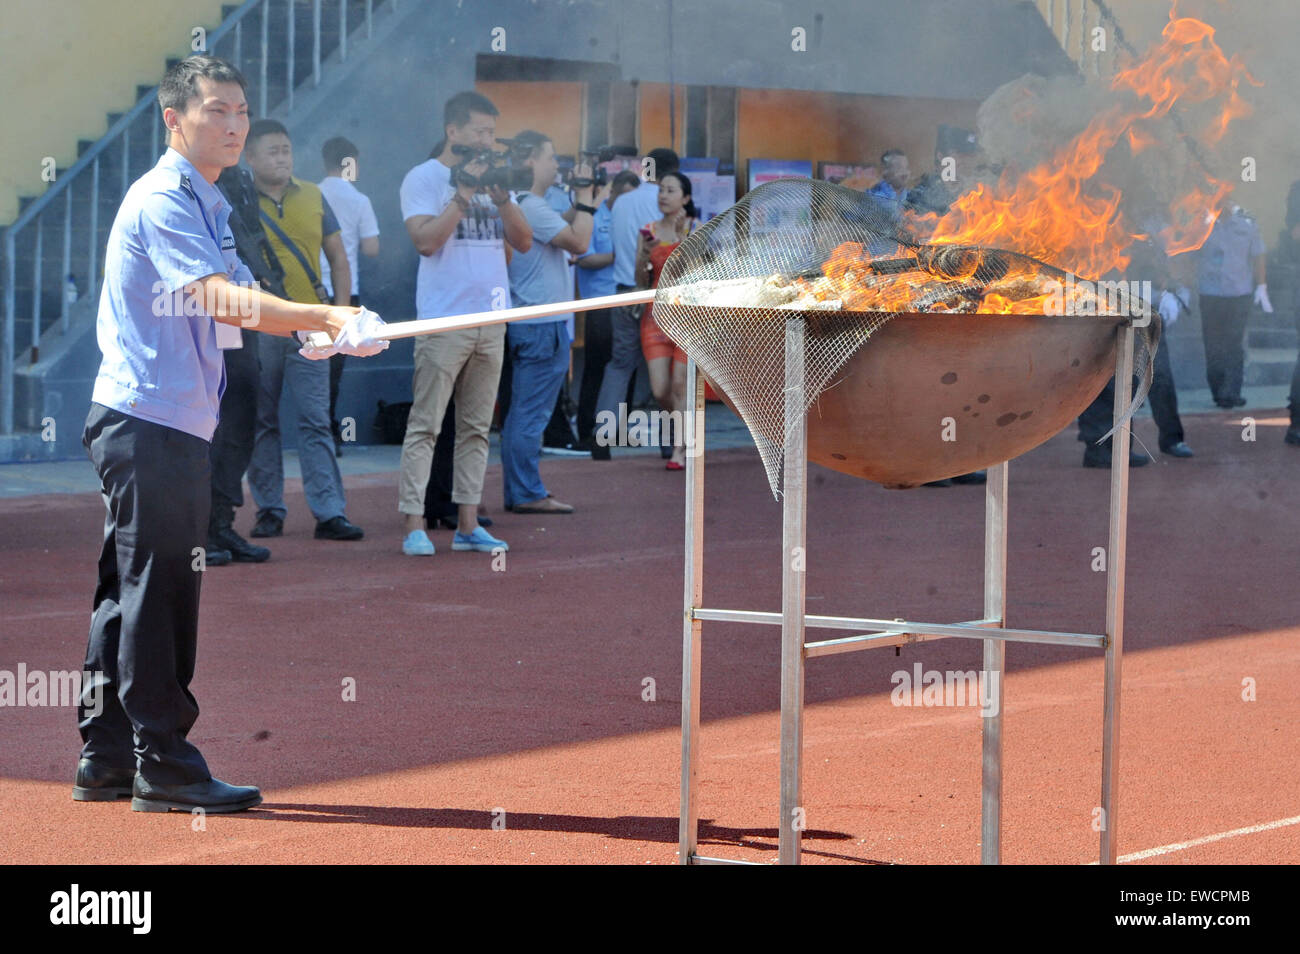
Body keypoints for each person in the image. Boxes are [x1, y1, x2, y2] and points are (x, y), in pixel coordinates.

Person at [75, 55, 386, 813]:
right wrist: (323, 316)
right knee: (161, 592)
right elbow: (216, 297)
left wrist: (313, 335)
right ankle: (166, 766)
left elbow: (234, 307)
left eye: (242, 110)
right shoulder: (164, 199)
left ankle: (109, 756)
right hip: (151, 420)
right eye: (218, 111)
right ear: (174, 119)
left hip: (160, 419)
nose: (236, 124)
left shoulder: (206, 200)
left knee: (128, 590)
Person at [396, 90, 530, 555]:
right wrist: (463, 195)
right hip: (443, 320)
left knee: (476, 428)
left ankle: (468, 524)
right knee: (426, 425)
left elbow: (525, 242)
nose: (488, 139)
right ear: (452, 131)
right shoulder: (423, 178)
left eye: (492, 132)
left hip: (492, 319)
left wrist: (505, 200)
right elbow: (425, 242)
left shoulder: (497, 180)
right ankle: (414, 524)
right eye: (479, 131)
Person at [244, 119, 365, 541]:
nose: (282, 157)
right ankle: (269, 510)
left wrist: (342, 314)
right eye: (272, 151)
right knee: (262, 422)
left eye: (287, 150)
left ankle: (330, 512)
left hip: (312, 327)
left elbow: (339, 258)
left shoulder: (314, 195)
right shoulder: (238, 202)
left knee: (316, 420)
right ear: (250, 158)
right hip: (260, 329)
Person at [502, 129, 606, 513]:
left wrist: (585, 199)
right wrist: (589, 204)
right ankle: (526, 492)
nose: (555, 164)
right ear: (530, 160)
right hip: (541, 324)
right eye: (550, 157)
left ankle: (521, 489)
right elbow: (579, 243)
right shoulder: (528, 205)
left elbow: (562, 225)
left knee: (524, 412)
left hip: (536, 323)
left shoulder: (527, 205)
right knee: (530, 414)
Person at [203, 162, 287, 566]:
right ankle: (198, 530)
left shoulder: (240, 178)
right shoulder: (182, 184)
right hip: (203, 315)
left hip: (239, 314)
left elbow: (250, 239)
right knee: (208, 424)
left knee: (242, 409)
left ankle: (221, 522)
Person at [593, 147, 680, 460]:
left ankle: (602, 439)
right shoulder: (667, 207)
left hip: (623, 291)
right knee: (666, 367)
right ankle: (671, 445)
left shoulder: (621, 202)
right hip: (658, 294)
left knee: (620, 364)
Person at [317, 135, 380, 456]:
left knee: (310, 368)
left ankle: (315, 432)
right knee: (334, 370)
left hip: (313, 293)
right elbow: (371, 248)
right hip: (346, 294)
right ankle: (329, 435)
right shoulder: (359, 200)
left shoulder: (311, 195)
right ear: (350, 163)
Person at [635, 171, 699, 469]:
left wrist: (682, 236)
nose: (663, 195)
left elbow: (698, 276)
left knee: (679, 384)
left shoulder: (696, 230)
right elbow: (640, 280)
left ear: (685, 198)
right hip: (655, 318)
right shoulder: (647, 231)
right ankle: (685, 431)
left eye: (671, 191)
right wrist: (644, 256)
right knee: (660, 390)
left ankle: (680, 450)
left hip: (687, 319)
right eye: (661, 190)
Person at [574, 169, 642, 447]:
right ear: (611, 191)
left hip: (626, 297)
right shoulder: (595, 215)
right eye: (623, 195)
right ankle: (588, 429)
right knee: (598, 366)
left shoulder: (631, 218)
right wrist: (621, 253)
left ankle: (619, 429)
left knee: (628, 366)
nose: (627, 201)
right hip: (601, 301)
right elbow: (583, 258)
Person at [1197, 196, 1271, 408]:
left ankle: (1232, 391)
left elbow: (1259, 255)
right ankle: (1218, 390)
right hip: (1210, 294)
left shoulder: (1247, 222)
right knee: (1213, 345)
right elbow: (1188, 255)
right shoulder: (1203, 222)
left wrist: (1262, 286)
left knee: (1234, 344)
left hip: (1239, 294)